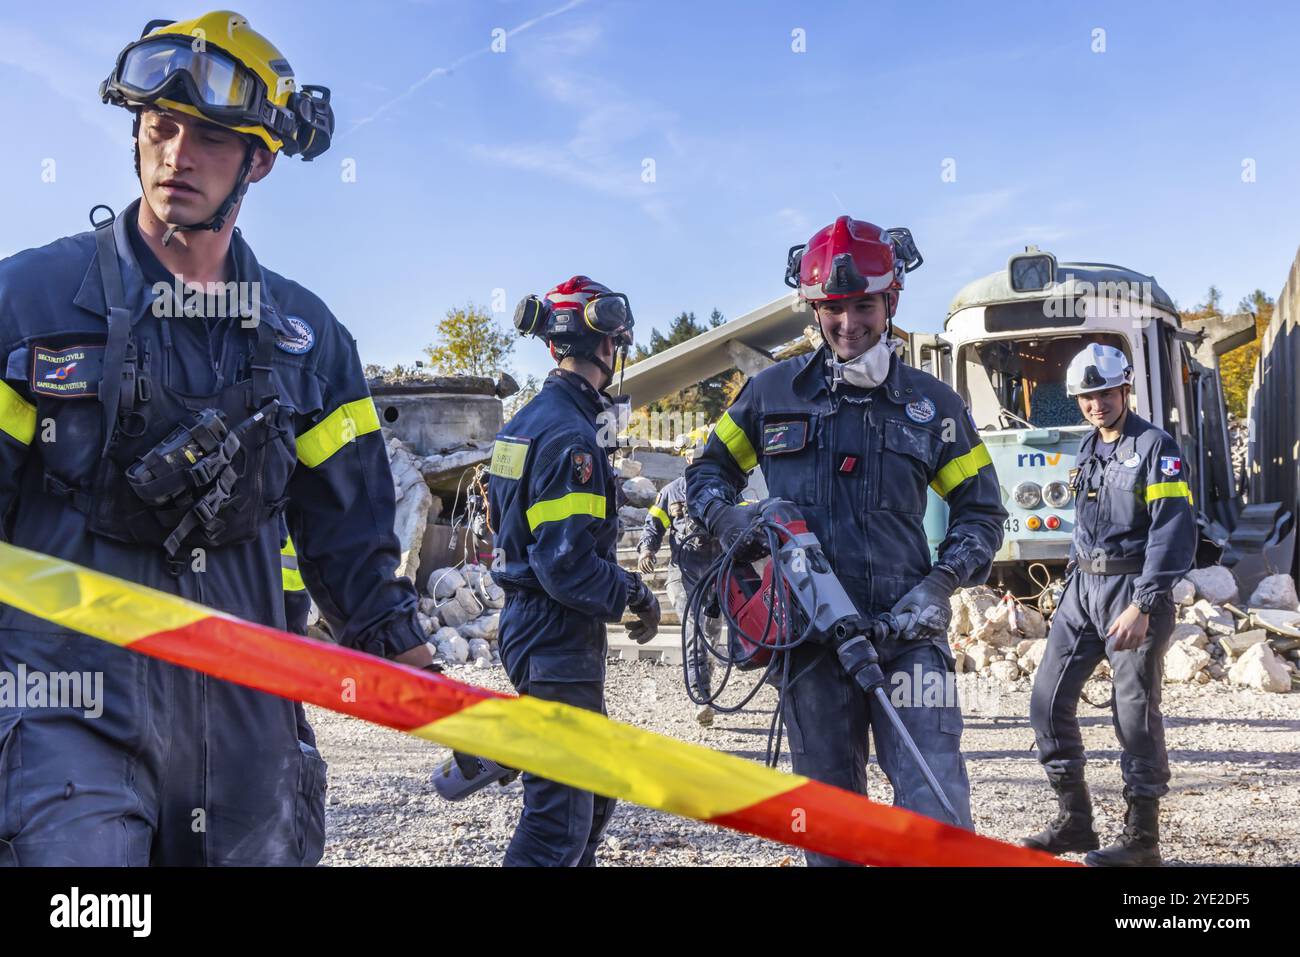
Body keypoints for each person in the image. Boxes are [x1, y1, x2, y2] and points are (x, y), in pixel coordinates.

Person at [0, 11, 433, 866]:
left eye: (207, 137)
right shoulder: (28, 305)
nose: (175, 156)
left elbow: (352, 552)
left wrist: (444, 698)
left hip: (246, 716)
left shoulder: (308, 342)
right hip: (66, 699)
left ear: (259, 160)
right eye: (159, 128)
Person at [686, 216, 1007, 865]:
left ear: (892, 300)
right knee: (831, 833)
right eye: (833, 307)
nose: (848, 323)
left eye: (864, 305)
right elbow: (707, 473)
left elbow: (982, 512)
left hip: (907, 642)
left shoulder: (931, 405)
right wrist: (735, 524)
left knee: (937, 815)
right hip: (808, 647)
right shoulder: (772, 394)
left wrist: (939, 587)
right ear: (814, 306)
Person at [488, 275, 660, 866]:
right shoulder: (572, 438)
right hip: (555, 632)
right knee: (559, 816)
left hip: (533, 626)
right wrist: (635, 593)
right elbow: (566, 566)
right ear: (610, 346)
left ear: (549, 346)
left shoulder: (524, 422)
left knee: (597, 784)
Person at [1023, 343, 1195, 866]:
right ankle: (1075, 824)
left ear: (1125, 389)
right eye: (1086, 396)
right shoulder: (1088, 448)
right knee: (1047, 703)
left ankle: (1142, 843)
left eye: (1105, 392)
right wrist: (1068, 589)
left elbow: (1173, 531)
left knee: (1134, 718)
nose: (1096, 404)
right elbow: (1085, 524)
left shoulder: (1155, 447)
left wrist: (1144, 604)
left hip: (1133, 593)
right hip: (1083, 593)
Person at [637, 448, 724, 726]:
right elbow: (654, 525)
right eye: (693, 458)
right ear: (686, 459)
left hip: (714, 573)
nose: (697, 462)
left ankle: (706, 668)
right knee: (692, 627)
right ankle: (702, 697)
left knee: (711, 632)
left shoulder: (723, 487)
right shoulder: (672, 492)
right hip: (682, 572)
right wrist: (646, 551)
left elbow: (738, 523)